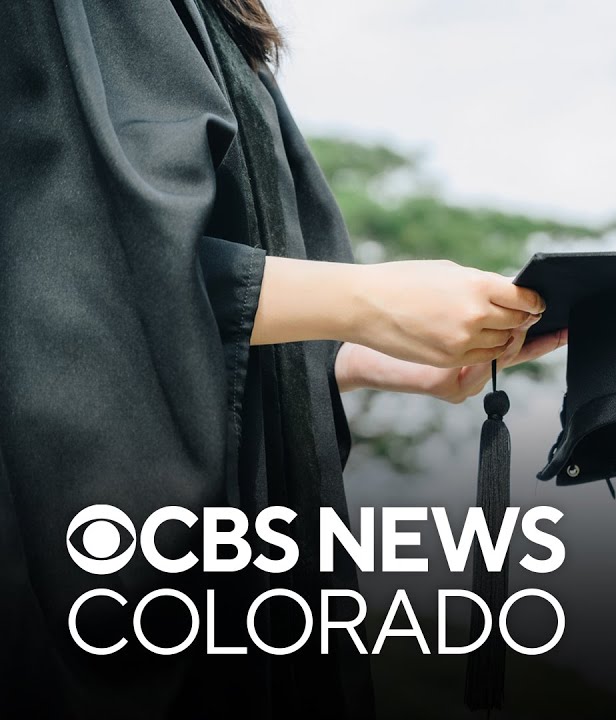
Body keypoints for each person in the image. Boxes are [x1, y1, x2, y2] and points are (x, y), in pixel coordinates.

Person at [0, 0, 565, 717]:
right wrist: (364, 301)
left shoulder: (214, 19)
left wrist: (362, 353)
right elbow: (74, 280)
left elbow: (210, 310)